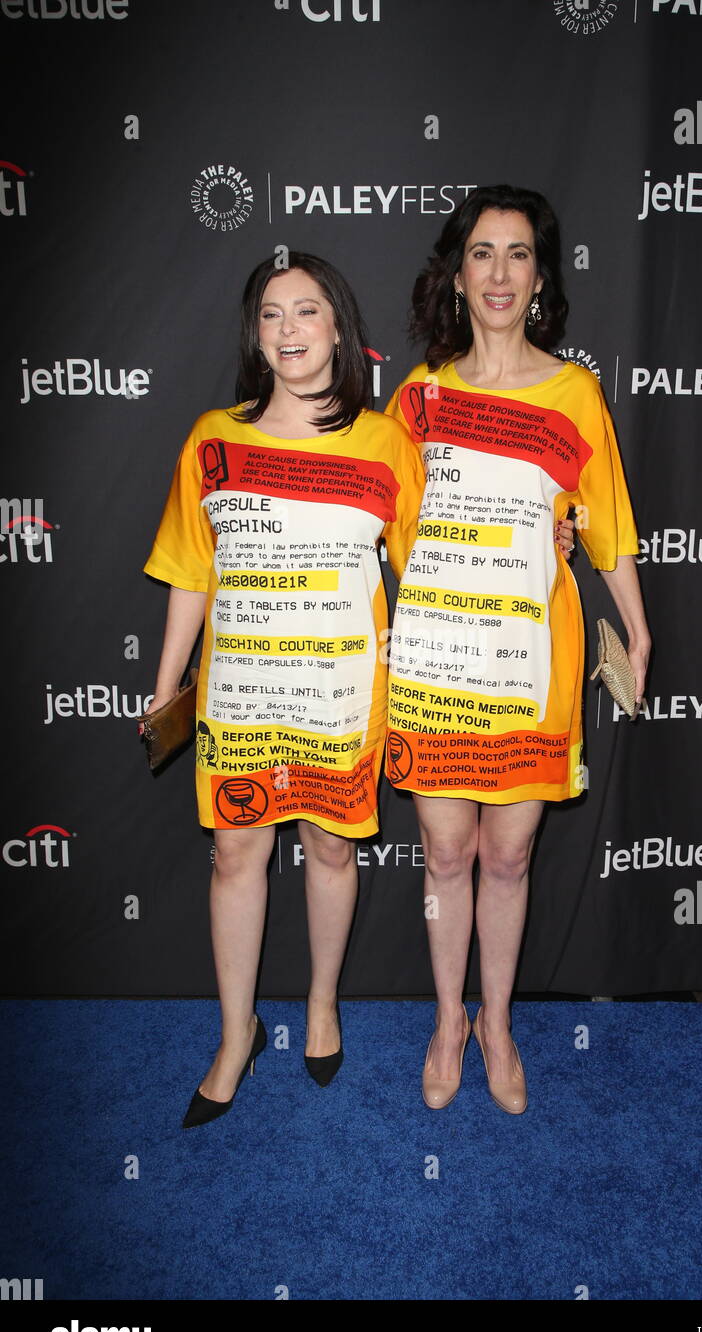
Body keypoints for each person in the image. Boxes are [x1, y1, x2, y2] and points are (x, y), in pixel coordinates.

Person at [384, 185, 651, 1114]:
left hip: (530, 661)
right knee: (446, 855)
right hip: (438, 660)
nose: (501, 273)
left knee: (508, 856)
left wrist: (638, 626)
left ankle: (496, 1023)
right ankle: (447, 1017)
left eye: (520, 254)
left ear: (541, 276)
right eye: (484, 254)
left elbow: (605, 518)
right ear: (457, 276)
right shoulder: (417, 396)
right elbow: (395, 530)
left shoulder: (574, 392)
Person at [142, 252, 425, 1127]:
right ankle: (236, 1036)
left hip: (342, 692)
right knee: (235, 855)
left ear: (340, 329)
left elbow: (430, 564)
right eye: (272, 314)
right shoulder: (212, 439)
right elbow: (192, 570)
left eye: (308, 311)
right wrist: (165, 688)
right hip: (241, 694)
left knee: (332, 851)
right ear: (256, 335)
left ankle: (321, 1003)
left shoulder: (384, 442)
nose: (291, 329)